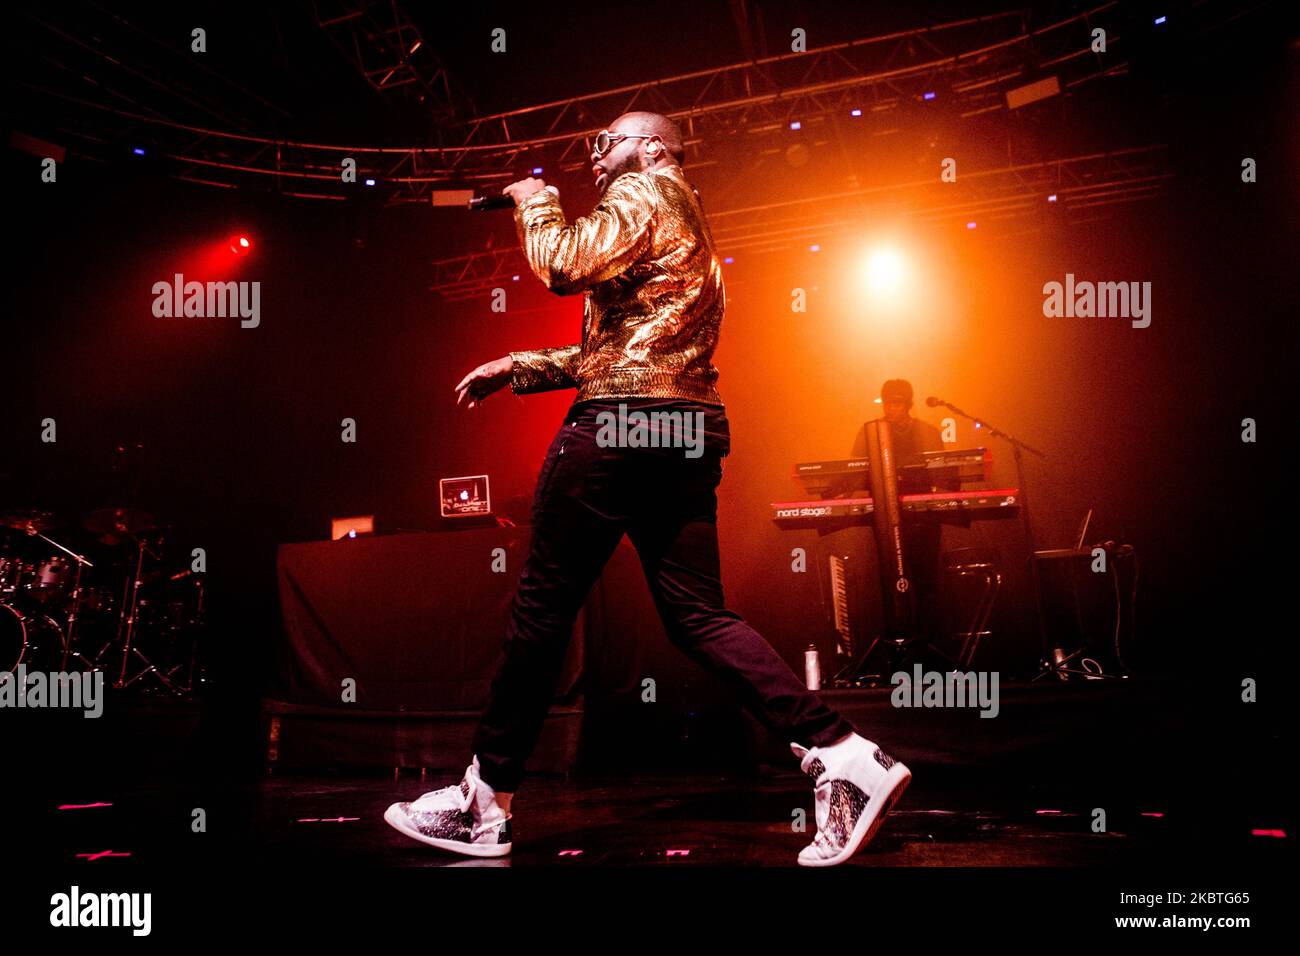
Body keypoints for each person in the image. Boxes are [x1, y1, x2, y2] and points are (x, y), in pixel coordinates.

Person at [384, 112, 911, 866]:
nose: (595, 155)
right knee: (698, 615)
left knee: (541, 610)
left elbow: (562, 264)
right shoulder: (684, 223)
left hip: (620, 429)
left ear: (656, 147)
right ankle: (847, 753)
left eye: (610, 140)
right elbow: (618, 349)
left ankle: (484, 802)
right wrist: (522, 366)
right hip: (684, 430)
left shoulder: (644, 193)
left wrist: (535, 197)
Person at [848, 379, 948, 652]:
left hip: (923, 521)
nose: (891, 408)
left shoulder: (926, 432)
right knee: (887, 584)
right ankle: (895, 652)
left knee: (926, 584)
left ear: (908, 404)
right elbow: (854, 473)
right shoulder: (871, 432)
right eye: (888, 402)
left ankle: (931, 650)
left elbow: (946, 475)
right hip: (884, 519)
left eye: (897, 402)